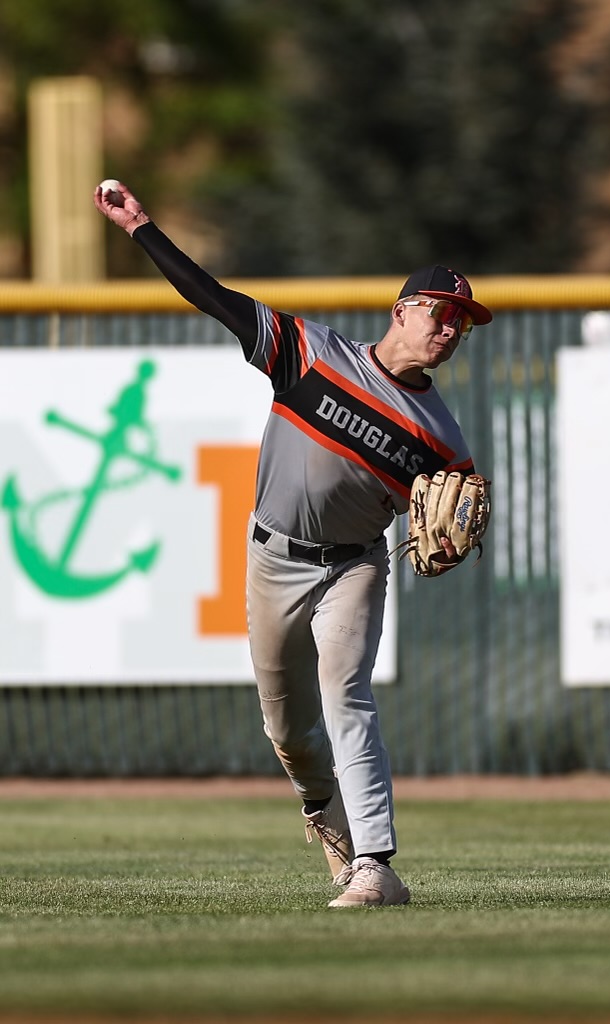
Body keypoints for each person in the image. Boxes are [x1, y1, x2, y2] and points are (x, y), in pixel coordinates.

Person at [94, 183, 493, 908]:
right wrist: (142, 228)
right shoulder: (311, 353)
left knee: (348, 696)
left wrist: (454, 536)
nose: (452, 330)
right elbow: (211, 296)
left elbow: (461, 514)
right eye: (443, 313)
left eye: (463, 323)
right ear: (403, 310)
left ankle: (376, 863)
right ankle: (329, 824)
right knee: (288, 729)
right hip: (272, 557)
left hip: (354, 567)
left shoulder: (441, 436)